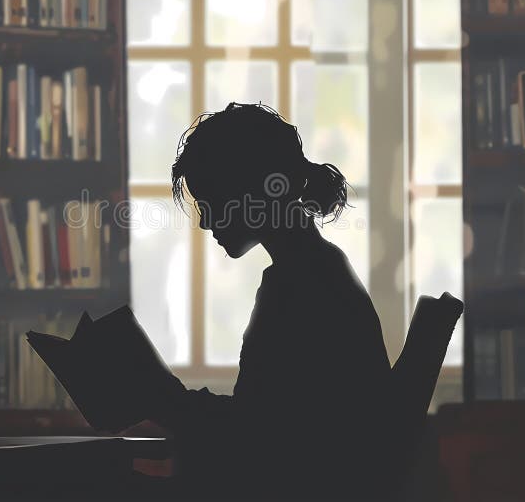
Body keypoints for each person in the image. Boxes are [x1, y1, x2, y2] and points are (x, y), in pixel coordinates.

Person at [145, 102, 394, 501]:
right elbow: (266, 421)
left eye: (209, 202)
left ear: (248, 191)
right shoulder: (317, 269)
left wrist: (163, 400)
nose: (206, 222)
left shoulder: (299, 286)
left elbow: (259, 436)